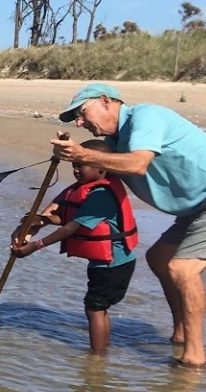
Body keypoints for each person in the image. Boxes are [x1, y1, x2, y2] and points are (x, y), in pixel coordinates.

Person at [52, 82, 206, 368]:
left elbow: (138, 164)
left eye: (81, 113)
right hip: (199, 206)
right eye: (75, 120)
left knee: (182, 268)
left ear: (106, 101)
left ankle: (194, 357)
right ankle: (181, 333)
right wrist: (44, 216)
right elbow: (97, 180)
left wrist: (82, 154)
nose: (80, 122)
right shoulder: (115, 143)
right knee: (159, 258)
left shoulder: (146, 117)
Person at [9, 142, 139, 354]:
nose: (76, 171)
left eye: (81, 166)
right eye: (74, 166)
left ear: (100, 167)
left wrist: (35, 246)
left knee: (94, 307)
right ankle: (102, 352)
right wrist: (42, 220)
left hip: (114, 264)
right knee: (98, 306)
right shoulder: (90, 188)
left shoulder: (101, 196)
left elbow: (71, 227)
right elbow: (64, 215)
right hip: (106, 263)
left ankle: (96, 360)